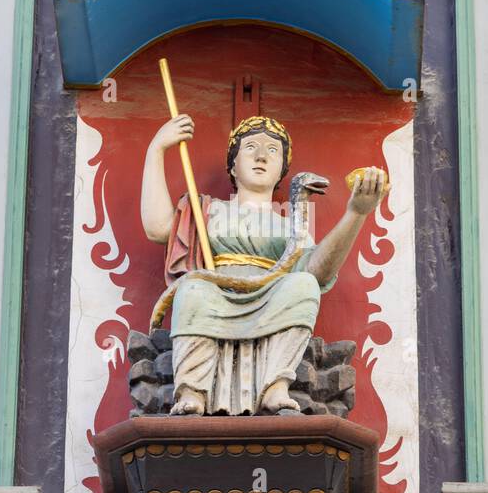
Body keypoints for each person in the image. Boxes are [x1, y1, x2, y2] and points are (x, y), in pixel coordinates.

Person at [140, 112, 386, 415]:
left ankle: (275, 386)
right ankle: (192, 391)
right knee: (192, 288)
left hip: (270, 295)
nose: (261, 156)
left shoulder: (289, 225)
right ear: (233, 164)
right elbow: (157, 228)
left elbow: (317, 272)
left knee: (303, 285)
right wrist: (157, 149)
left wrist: (356, 213)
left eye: (272, 151)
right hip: (215, 292)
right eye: (250, 147)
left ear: (282, 168)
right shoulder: (207, 210)